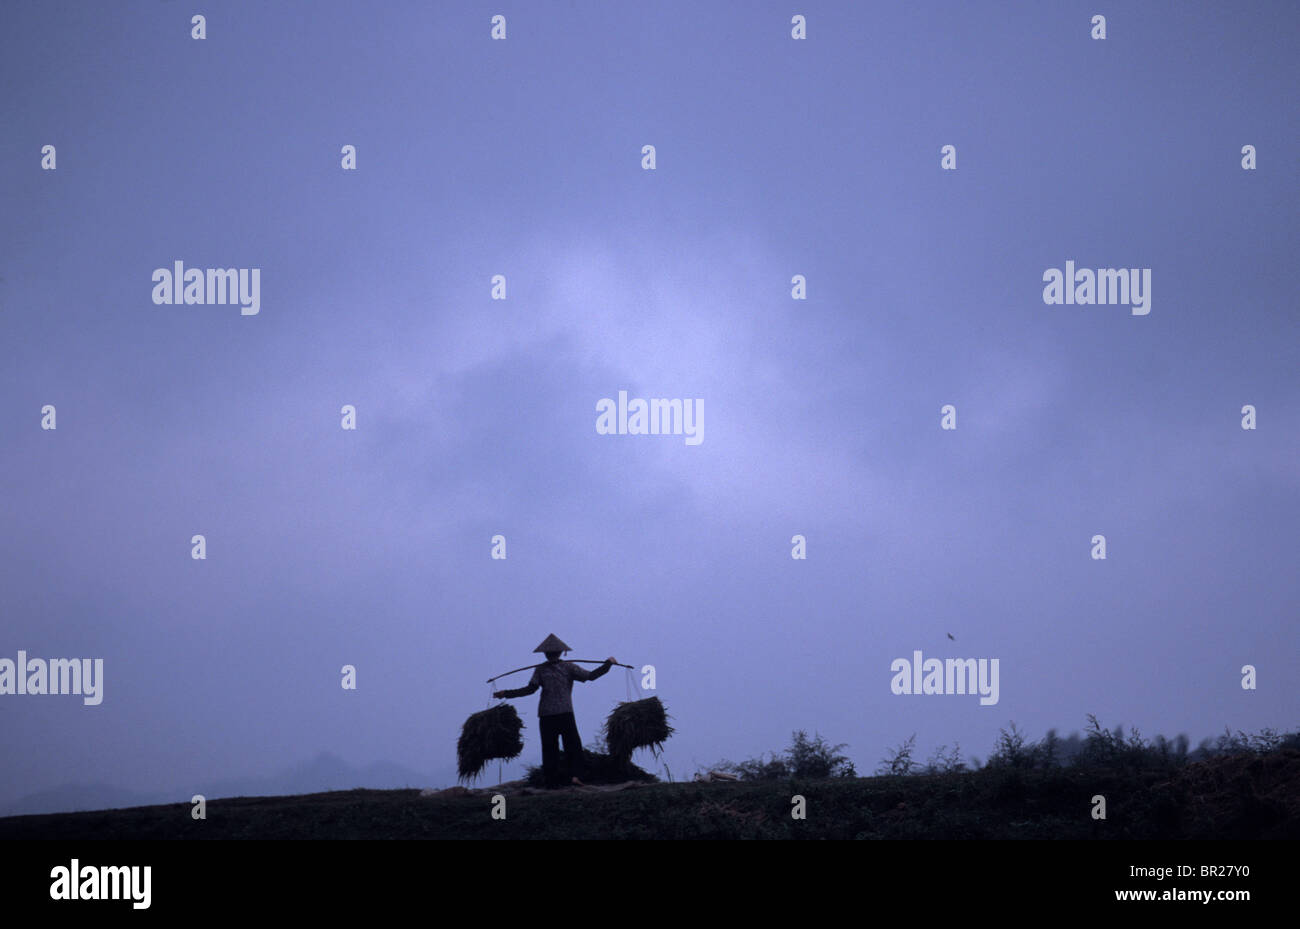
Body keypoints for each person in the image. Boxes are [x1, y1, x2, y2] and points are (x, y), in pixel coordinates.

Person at [493, 634, 616, 788]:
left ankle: (552, 781)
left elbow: (530, 689)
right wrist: (608, 664)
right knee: (572, 746)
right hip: (564, 713)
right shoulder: (568, 667)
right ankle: (575, 776)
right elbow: (591, 676)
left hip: (546, 714)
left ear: (545, 653)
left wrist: (506, 694)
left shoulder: (542, 670)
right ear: (561, 652)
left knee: (549, 748)